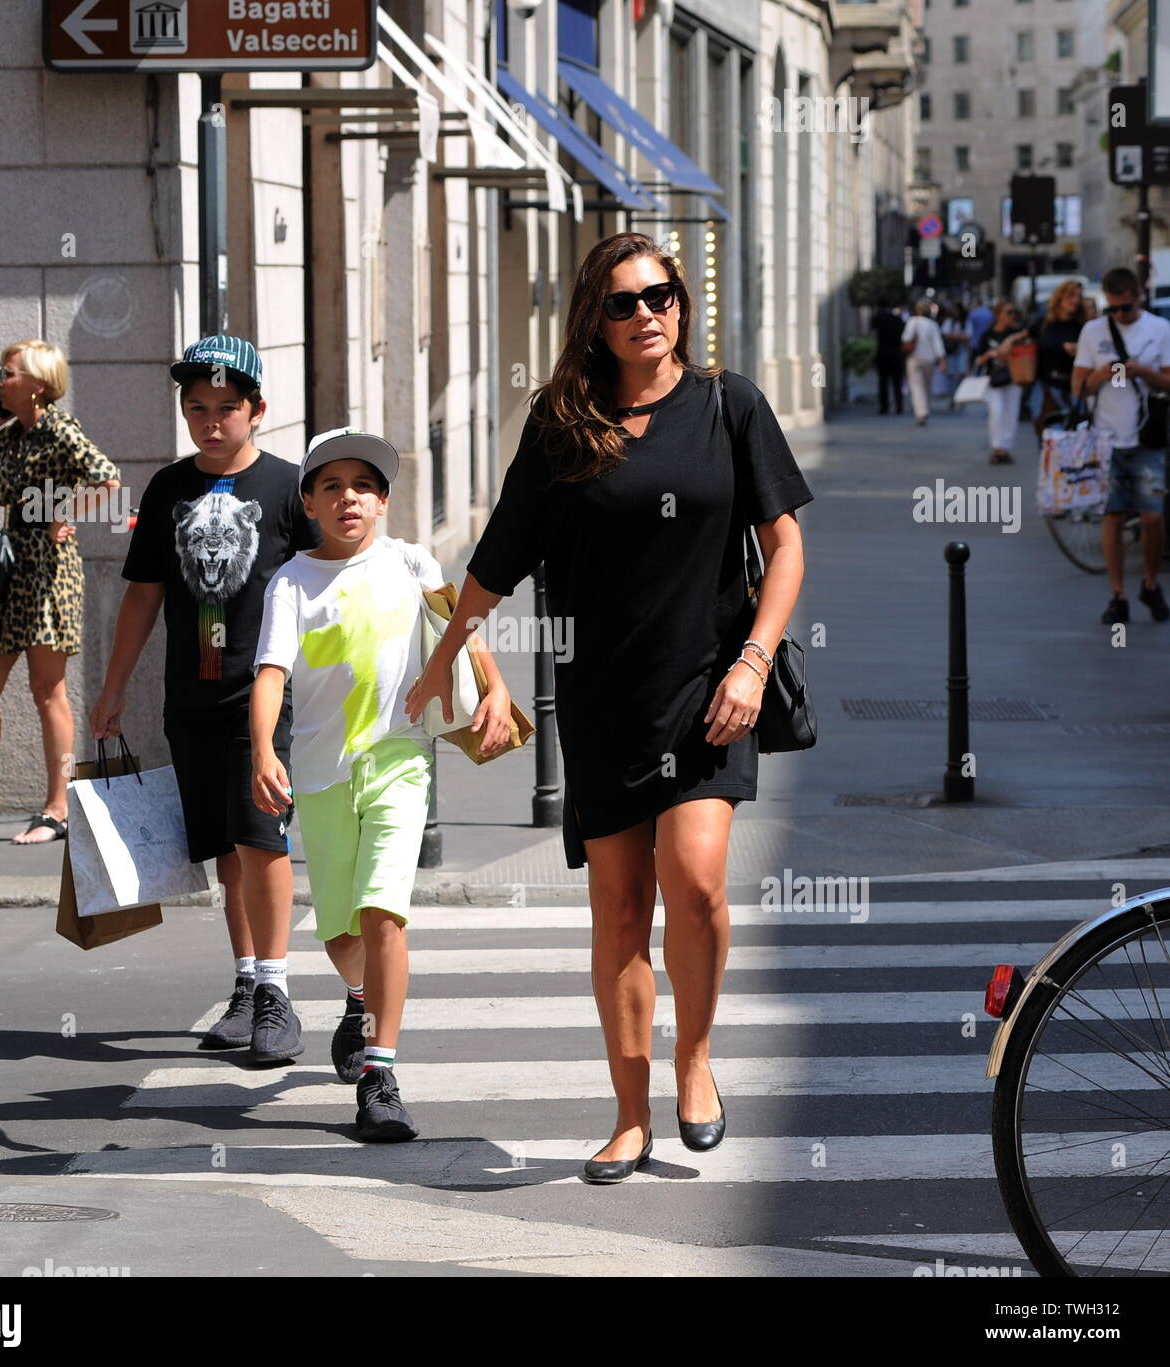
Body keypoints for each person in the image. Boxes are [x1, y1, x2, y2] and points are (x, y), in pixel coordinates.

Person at [406, 232, 812, 1183]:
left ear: (682, 302)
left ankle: (696, 1058)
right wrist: (445, 660)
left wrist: (752, 663)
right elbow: (496, 558)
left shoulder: (729, 406)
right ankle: (630, 1116)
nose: (648, 315)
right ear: (596, 316)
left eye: (661, 296)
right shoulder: (562, 427)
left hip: (714, 685)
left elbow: (785, 548)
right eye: (626, 302)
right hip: (600, 700)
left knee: (699, 877)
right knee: (620, 908)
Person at [251, 430, 512, 1140]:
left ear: (385, 501)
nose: (348, 498)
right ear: (308, 502)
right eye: (330, 486)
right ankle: (358, 994)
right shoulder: (292, 582)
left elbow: (464, 623)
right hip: (321, 773)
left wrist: (494, 690)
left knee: (382, 914)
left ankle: (379, 1074)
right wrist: (261, 753)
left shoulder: (412, 561)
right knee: (341, 934)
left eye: (362, 485)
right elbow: (270, 674)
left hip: (399, 759)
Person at [89, 336, 320, 1062]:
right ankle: (248, 981)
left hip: (266, 694)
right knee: (225, 846)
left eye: (226, 408)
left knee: (262, 834)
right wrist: (113, 688)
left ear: (257, 409)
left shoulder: (290, 487)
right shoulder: (167, 490)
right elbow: (142, 595)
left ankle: (278, 993)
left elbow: (326, 580)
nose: (211, 421)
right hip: (190, 693)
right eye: (197, 409)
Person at [0, 341, 120, 845]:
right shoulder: (10, 435)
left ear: (37, 383)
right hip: (10, 567)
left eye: (6, 373)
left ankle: (57, 808)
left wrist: (66, 512)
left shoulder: (60, 429)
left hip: (50, 571)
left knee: (46, 690)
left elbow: (107, 479)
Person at [1072, 266, 1170, 626]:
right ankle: (1118, 595)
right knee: (1112, 517)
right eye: (1112, 309)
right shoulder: (1092, 331)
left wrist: (1142, 371)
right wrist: (1103, 374)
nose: (1118, 315)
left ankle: (1150, 582)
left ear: (1137, 298)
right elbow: (1078, 386)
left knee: (1153, 516)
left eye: (1125, 308)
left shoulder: (1160, 330)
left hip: (1147, 438)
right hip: (1105, 438)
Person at [973, 301, 1030, 463]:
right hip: (994, 379)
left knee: (1011, 414)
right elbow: (978, 358)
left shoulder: (1017, 333)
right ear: (998, 315)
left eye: (1014, 312)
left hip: (1013, 378)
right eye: (1008, 312)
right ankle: (997, 447)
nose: (1012, 316)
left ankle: (1005, 448)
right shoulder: (988, 335)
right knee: (997, 412)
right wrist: (990, 355)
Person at [1032, 279, 1085, 437]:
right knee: (1048, 438)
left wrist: (1079, 352)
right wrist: (1008, 343)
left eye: (1079, 296)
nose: (1075, 300)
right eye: (1071, 295)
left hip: (1073, 389)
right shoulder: (1043, 323)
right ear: (1060, 297)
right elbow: (1024, 338)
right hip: (1046, 388)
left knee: (1073, 438)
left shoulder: (1083, 326)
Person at [901, 299, 947, 426]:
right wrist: (942, 361)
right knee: (926, 386)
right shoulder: (933, 325)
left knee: (916, 386)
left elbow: (906, 338)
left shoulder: (912, 321)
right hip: (929, 359)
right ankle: (924, 410)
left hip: (914, 358)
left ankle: (921, 412)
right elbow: (938, 344)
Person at [873, 304, 906, 414]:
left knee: (883, 382)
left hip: (883, 353)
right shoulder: (898, 320)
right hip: (896, 354)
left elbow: (873, 329)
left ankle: (884, 406)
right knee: (897, 382)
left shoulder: (879, 319)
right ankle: (899, 405)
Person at [940, 302, 970, 404]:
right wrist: (959, 336)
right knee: (951, 374)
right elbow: (945, 334)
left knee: (961, 373)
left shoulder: (965, 322)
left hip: (962, 349)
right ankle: (953, 396)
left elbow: (968, 336)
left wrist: (954, 336)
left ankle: (960, 395)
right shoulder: (949, 321)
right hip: (951, 350)